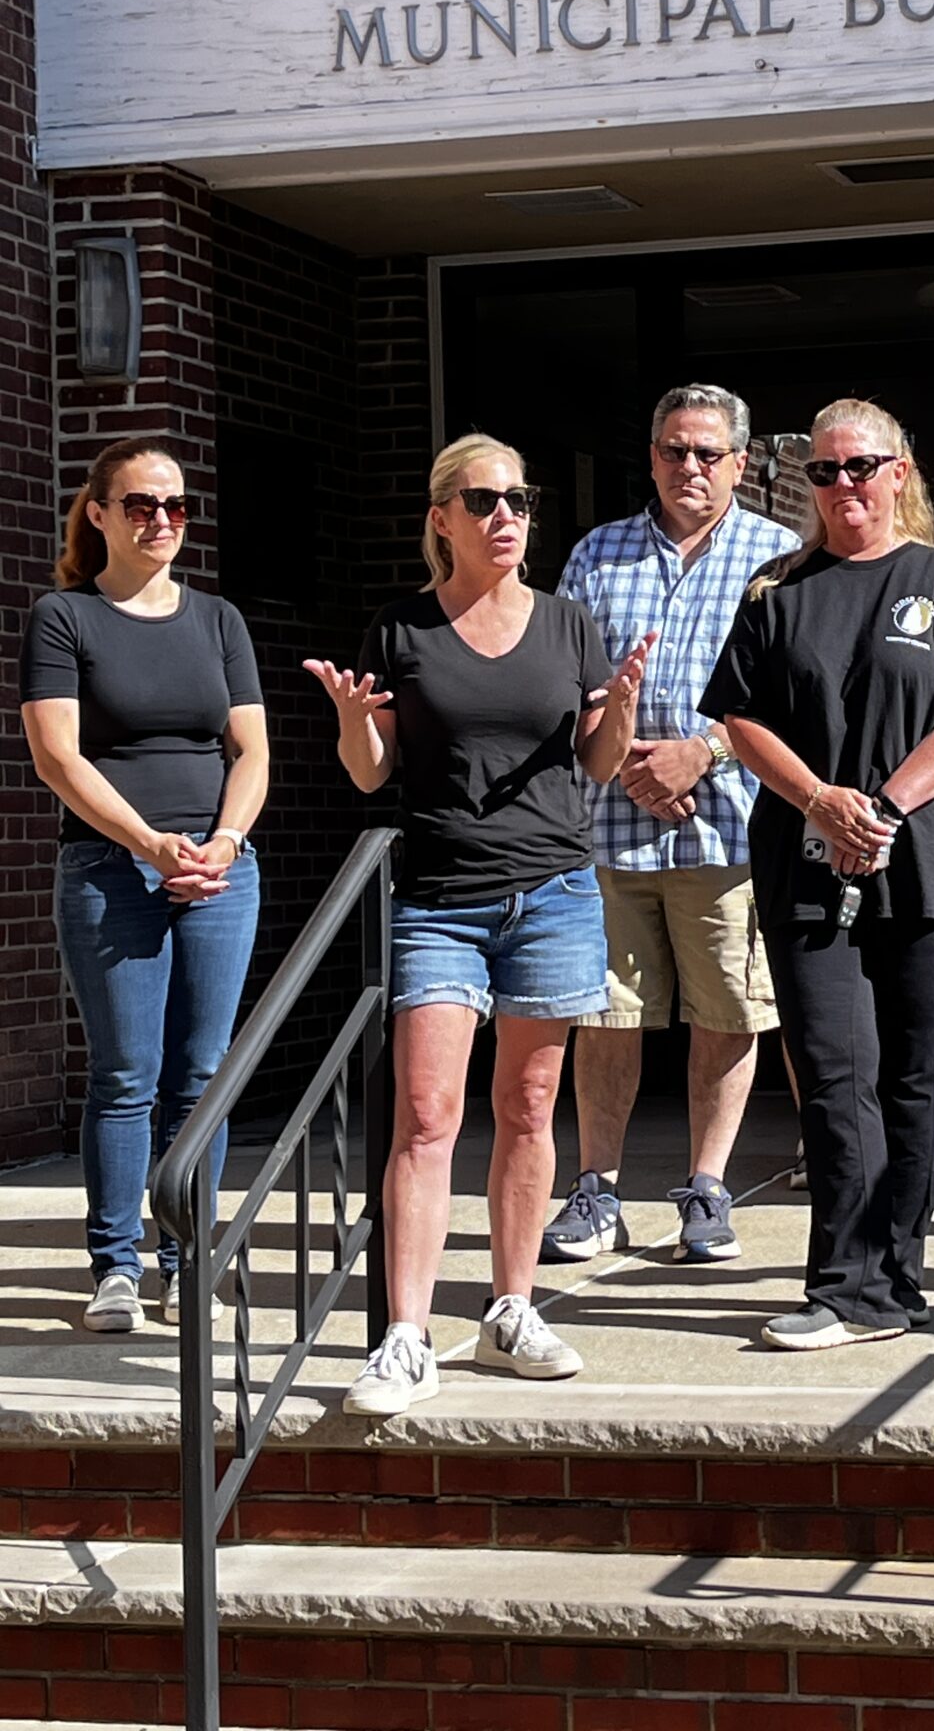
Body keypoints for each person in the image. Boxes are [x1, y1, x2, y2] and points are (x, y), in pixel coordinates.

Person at [305, 433, 648, 1414]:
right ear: (442, 517)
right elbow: (372, 772)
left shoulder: (567, 623)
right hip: (440, 899)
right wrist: (350, 719)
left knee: (532, 1109)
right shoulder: (401, 628)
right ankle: (405, 1336)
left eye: (520, 498)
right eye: (484, 498)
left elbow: (594, 764)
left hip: (553, 893)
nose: (506, 514)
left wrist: (620, 707)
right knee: (424, 1116)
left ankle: (511, 1309)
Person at [700, 398, 934, 1350]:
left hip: (929, 857)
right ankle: (843, 1288)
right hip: (806, 858)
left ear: (900, 473)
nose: (845, 486)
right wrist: (822, 804)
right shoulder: (776, 586)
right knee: (837, 1076)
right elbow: (741, 717)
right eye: (827, 471)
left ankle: (895, 1283)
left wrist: (882, 808)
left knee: (914, 1079)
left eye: (863, 466)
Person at [20, 437, 268, 1334]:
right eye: (139, 505)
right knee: (127, 1074)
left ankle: (189, 1256)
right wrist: (147, 843)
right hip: (110, 867)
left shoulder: (218, 620)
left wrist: (225, 841)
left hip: (218, 871)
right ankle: (117, 1266)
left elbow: (252, 751)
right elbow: (57, 755)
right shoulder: (64, 618)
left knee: (201, 1076)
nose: (162, 520)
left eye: (176, 506)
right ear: (99, 514)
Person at [543, 385, 787, 1268]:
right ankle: (595, 1189)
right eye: (675, 451)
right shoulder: (597, 554)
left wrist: (702, 752)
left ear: (741, 464)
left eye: (710, 454)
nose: (691, 467)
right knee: (605, 1016)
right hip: (607, 828)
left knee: (728, 1010)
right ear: (650, 457)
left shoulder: (779, 555)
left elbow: (798, 695)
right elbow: (562, 678)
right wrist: (635, 762)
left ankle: (707, 1188)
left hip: (729, 829)